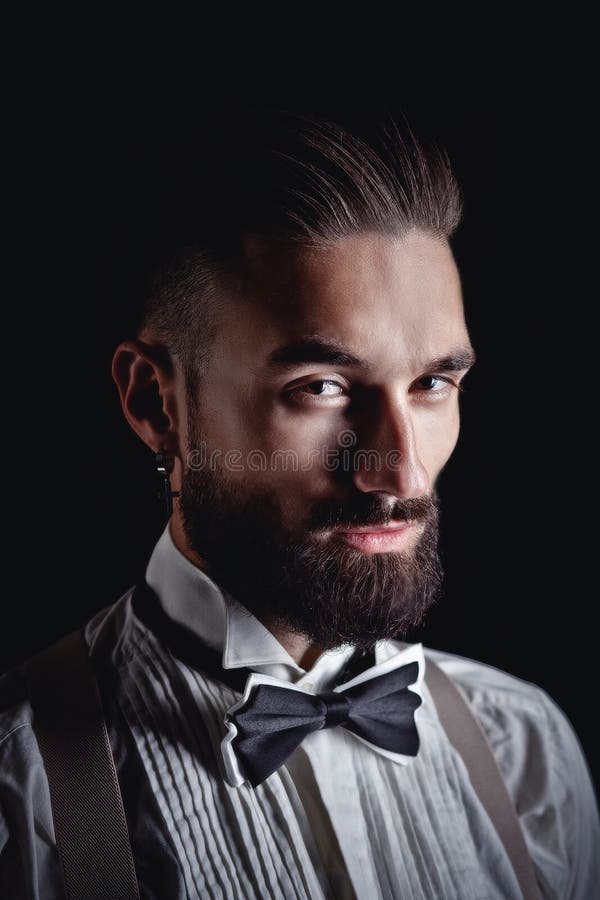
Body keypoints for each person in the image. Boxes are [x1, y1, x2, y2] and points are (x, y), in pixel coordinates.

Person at [1, 109, 598, 900]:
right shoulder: (20, 787)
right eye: (321, 388)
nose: (400, 472)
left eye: (432, 384)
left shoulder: (524, 748)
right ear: (157, 402)